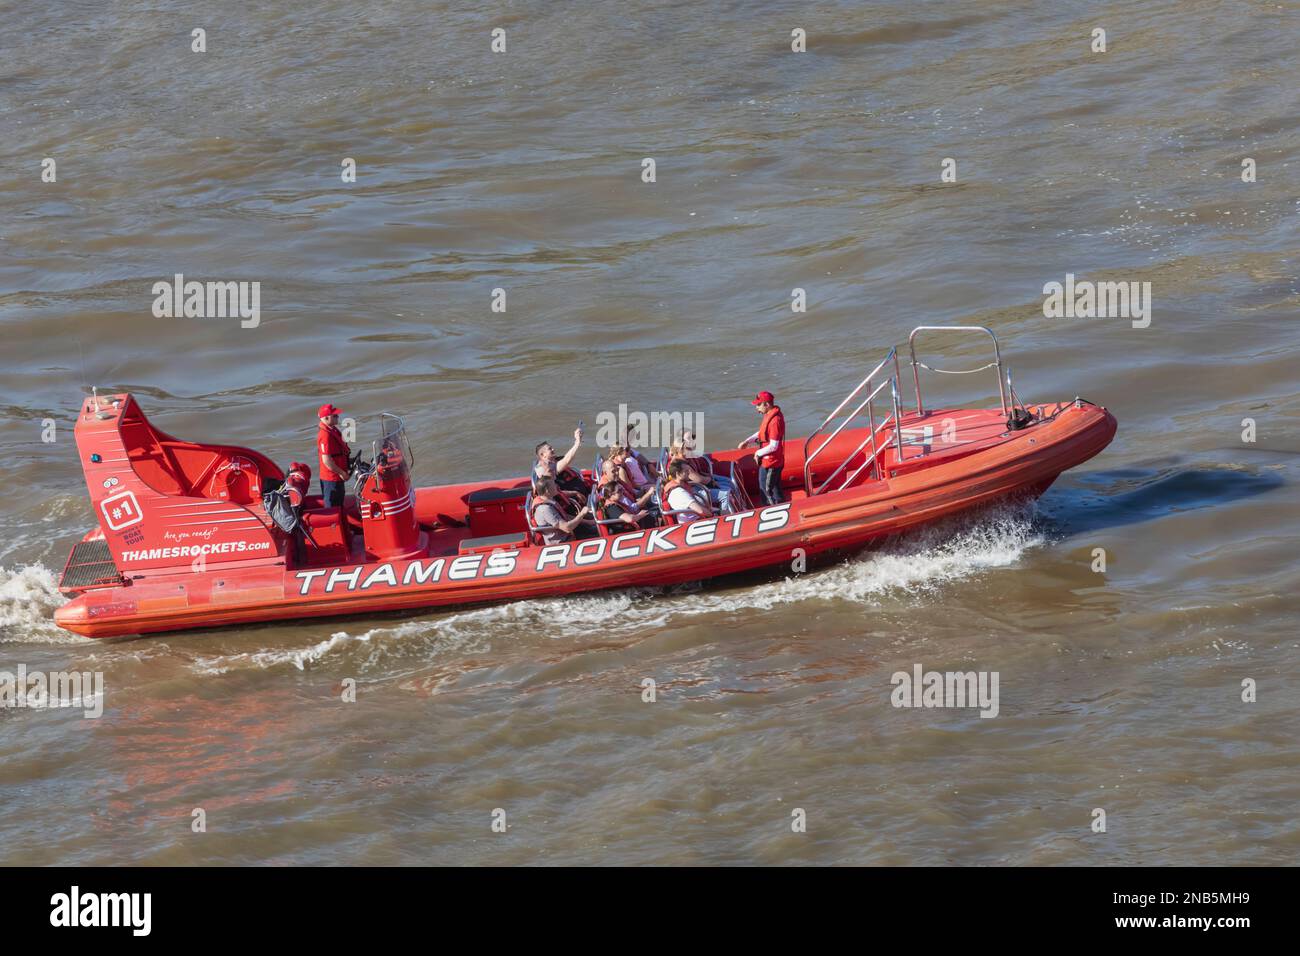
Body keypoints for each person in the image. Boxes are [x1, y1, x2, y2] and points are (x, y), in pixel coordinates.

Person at [739, 390, 786, 505]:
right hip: (771, 460)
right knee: (774, 486)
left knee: (766, 490)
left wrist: (758, 453)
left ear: (767, 404)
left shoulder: (775, 421)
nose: (757, 408)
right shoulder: (769, 415)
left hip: (772, 462)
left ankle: (770, 510)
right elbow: (762, 432)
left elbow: (774, 446)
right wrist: (748, 441)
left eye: (758, 405)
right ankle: (780, 504)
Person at [669, 433, 732, 512]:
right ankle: (725, 516)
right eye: (685, 449)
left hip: (694, 487)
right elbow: (699, 480)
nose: (687, 450)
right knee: (725, 494)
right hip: (694, 491)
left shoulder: (678, 459)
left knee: (728, 484)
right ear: (679, 450)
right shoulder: (683, 466)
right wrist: (711, 481)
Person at [530, 477, 596, 545]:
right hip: (562, 543)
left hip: (570, 536)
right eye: (553, 484)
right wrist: (582, 514)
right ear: (547, 490)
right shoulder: (545, 509)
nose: (556, 486)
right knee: (597, 535)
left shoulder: (550, 500)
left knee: (595, 529)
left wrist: (588, 522)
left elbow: (565, 517)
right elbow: (567, 528)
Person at [316, 403, 351, 507]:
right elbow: (326, 460)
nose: (338, 417)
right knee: (332, 505)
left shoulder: (332, 429)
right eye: (335, 416)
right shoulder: (325, 435)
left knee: (339, 501)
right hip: (331, 478)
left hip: (337, 476)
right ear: (326, 418)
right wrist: (342, 473)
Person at [534, 427, 587, 494]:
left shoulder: (553, 461)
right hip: (570, 495)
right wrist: (577, 443)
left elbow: (570, 456)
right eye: (550, 449)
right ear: (542, 455)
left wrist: (578, 439)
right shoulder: (544, 468)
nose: (553, 449)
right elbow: (567, 460)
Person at [663, 460, 712, 524]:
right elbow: (701, 511)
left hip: (696, 518)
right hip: (694, 522)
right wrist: (712, 514)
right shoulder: (679, 493)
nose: (689, 472)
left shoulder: (681, 486)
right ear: (678, 474)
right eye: (686, 471)